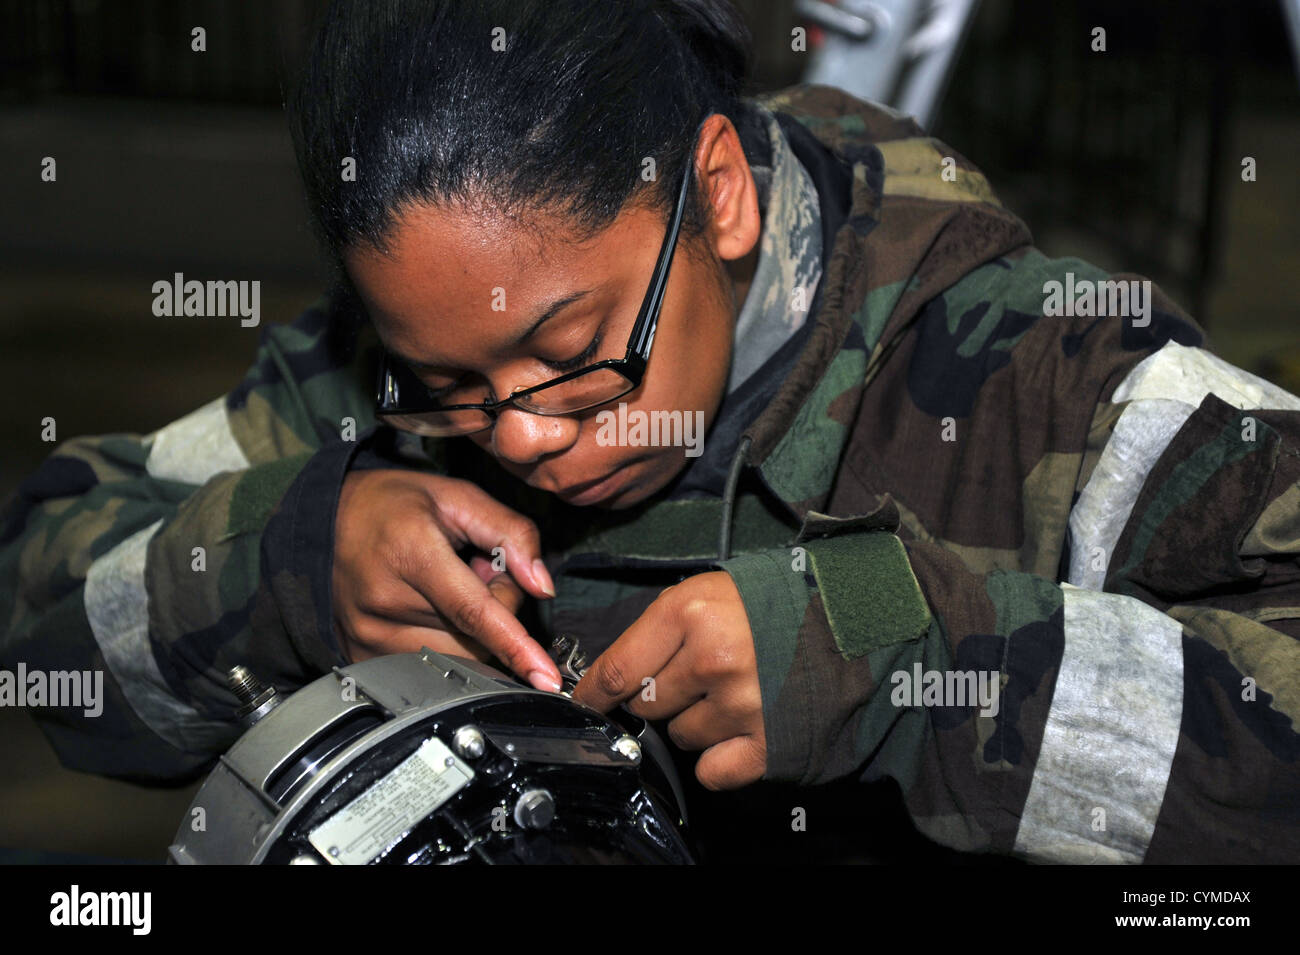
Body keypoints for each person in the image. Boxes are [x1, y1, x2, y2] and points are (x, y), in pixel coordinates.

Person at [3, 0, 1298, 864]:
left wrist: (921, 669)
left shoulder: (1046, 381)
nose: (515, 439)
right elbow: (40, 616)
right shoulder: (373, 383)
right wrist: (283, 564)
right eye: (445, 379)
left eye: (575, 360)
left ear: (720, 196)